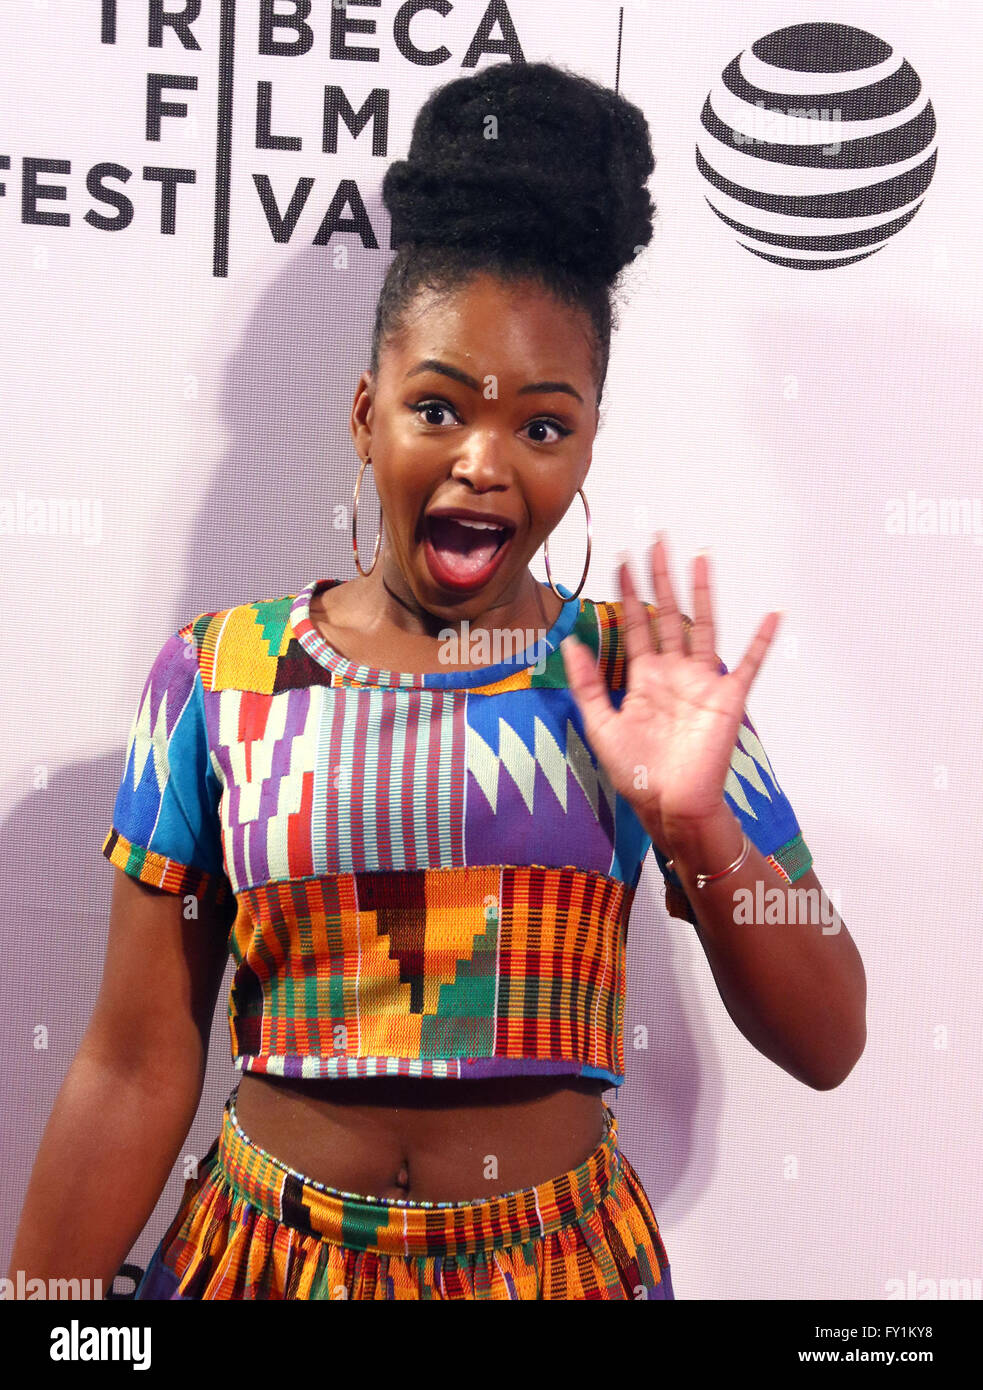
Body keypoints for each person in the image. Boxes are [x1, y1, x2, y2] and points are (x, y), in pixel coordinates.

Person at [8, 61, 866, 1301]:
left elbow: (829, 1038)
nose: (483, 462)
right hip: (261, 1268)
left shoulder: (646, 679)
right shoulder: (218, 673)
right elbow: (137, 1064)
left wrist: (696, 828)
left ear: (585, 446)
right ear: (367, 417)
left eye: (541, 426)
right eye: (436, 408)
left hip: (558, 1273)